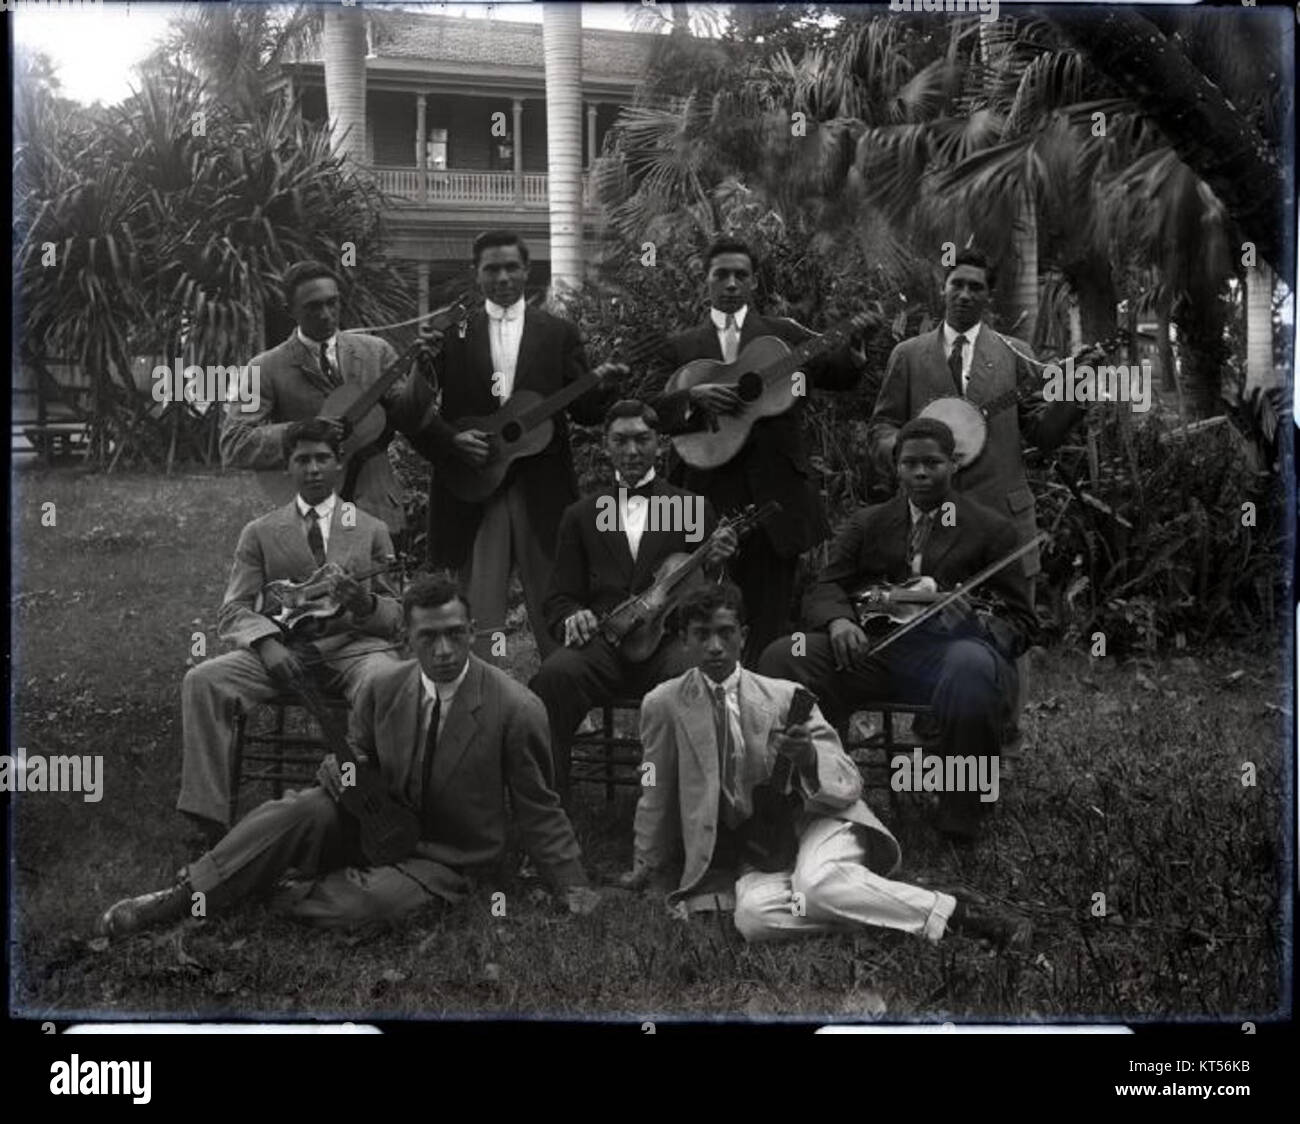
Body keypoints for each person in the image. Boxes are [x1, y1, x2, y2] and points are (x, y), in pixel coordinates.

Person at [101, 574, 599, 937]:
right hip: (371, 823)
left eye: (456, 633)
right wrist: (342, 775)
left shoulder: (516, 708)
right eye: (429, 636)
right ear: (405, 637)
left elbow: (540, 809)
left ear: (471, 629)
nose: (445, 650)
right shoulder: (384, 687)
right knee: (296, 811)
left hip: (446, 857)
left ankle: (260, 891)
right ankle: (180, 899)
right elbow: (352, 756)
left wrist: (573, 886)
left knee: (369, 904)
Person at [621, 582, 1030, 947]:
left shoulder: (786, 696)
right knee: (753, 919)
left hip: (819, 819)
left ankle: (962, 914)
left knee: (815, 887)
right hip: (764, 848)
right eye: (701, 635)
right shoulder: (665, 704)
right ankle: (876, 904)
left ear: (743, 638)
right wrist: (648, 868)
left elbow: (847, 781)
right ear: (683, 641)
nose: (715, 647)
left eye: (726, 633)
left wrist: (810, 758)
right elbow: (654, 793)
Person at [759, 417, 1037, 841]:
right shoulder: (868, 522)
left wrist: (973, 623)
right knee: (785, 654)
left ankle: (961, 810)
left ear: (954, 465)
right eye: (910, 463)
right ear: (897, 467)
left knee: (972, 665)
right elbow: (827, 584)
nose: (921, 473)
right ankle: (810, 787)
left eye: (933, 463)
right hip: (872, 653)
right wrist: (838, 621)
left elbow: (1020, 622)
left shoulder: (991, 528)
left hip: (946, 659)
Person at [650, 236, 877, 665]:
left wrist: (856, 349)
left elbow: (836, 372)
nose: (732, 284)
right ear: (706, 281)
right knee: (703, 611)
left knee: (768, 624)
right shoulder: (680, 347)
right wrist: (693, 398)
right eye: (722, 275)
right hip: (703, 491)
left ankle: (762, 715)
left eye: (741, 275)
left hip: (775, 500)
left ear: (754, 282)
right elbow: (646, 409)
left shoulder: (784, 335)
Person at [178, 419, 403, 844]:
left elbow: (397, 619)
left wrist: (365, 603)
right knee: (202, 680)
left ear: (339, 465)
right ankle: (207, 822)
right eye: (302, 460)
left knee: (389, 679)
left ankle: (376, 802)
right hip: (283, 649)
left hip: (354, 649)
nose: (313, 469)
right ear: (288, 468)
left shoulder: (371, 528)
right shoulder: (260, 531)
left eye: (322, 459)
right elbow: (233, 609)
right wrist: (266, 644)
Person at [407, 230, 624, 662]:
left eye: (511, 267)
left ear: (527, 270)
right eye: (492, 268)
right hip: (474, 486)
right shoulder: (452, 334)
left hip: (542, 488)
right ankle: (475, 703)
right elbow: (414, 416)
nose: (503, 277)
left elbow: (583, 411)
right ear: (476, 274)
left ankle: (561, 704)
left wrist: (606, 387)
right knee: (479, 609)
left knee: (555, 600)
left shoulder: (558, 332)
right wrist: (452, 440)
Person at [529, 400, 737, 791]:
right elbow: (558, 598)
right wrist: (573, 615)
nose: (631, 451)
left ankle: (690, 806)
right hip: (604, 643)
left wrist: (717, 565)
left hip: (667, 642)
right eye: (620, 441)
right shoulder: (581, 515)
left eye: (642, 440)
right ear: (605, 445)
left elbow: (718, 594)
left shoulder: (689, 507)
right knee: (554, 677)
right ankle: (548, 809)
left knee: (694, 677)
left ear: (659, 443)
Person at [867, 246, 1083, 584]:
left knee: (1007, 631)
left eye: (976, 287)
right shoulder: (907, 355)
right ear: (944, 288)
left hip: (1003, 523)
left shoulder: (1016, 354)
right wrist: (908, 455)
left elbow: (1043, 435)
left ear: (989, 297)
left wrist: (1074, 393)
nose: (965, 294)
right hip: (928, 519)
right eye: (957, 284)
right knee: (929, 630)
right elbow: (882, 426)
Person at [220, 261, 436, 537]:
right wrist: (298, 431)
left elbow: (409, 418)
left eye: (332, 303)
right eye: (313, 307)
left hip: (376, 504)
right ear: (290, 311)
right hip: (309, 512)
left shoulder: (375, 352)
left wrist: (424, 373)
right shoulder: (263, 368)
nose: (326, 314)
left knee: (379, 578)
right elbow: (234, 443)